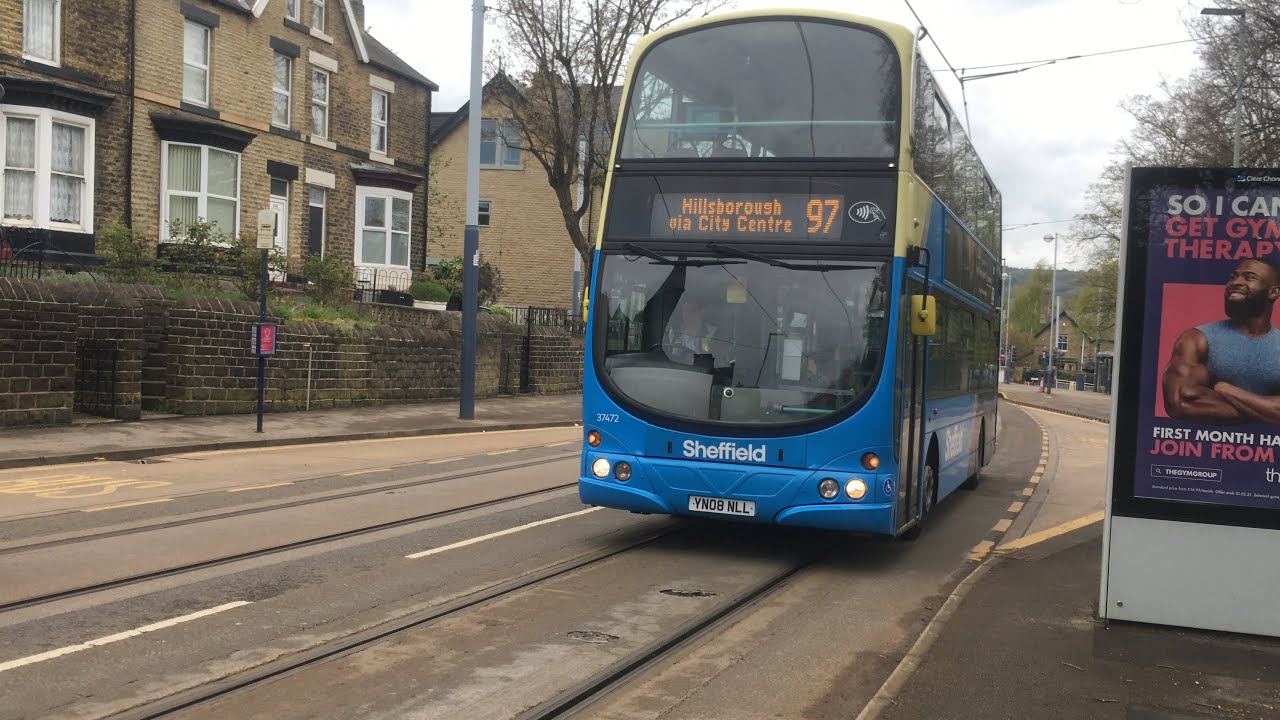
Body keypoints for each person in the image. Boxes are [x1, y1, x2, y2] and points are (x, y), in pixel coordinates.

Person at [1163, 258, 1280, 424]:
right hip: (1207, 447)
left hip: (1266, 450)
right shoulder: (1196, 339)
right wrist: (1267, 412)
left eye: (1249, 277)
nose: (1235, 282)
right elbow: (1180, 402)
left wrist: (1227, 390)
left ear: (1273, 293)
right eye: (1233, 277)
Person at [664, 293, 718, 363]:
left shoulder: (714, 333)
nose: (688, 315)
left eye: (692, 311)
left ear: (701, 312)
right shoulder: (674, 331)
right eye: (685, 311)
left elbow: (714, 361)